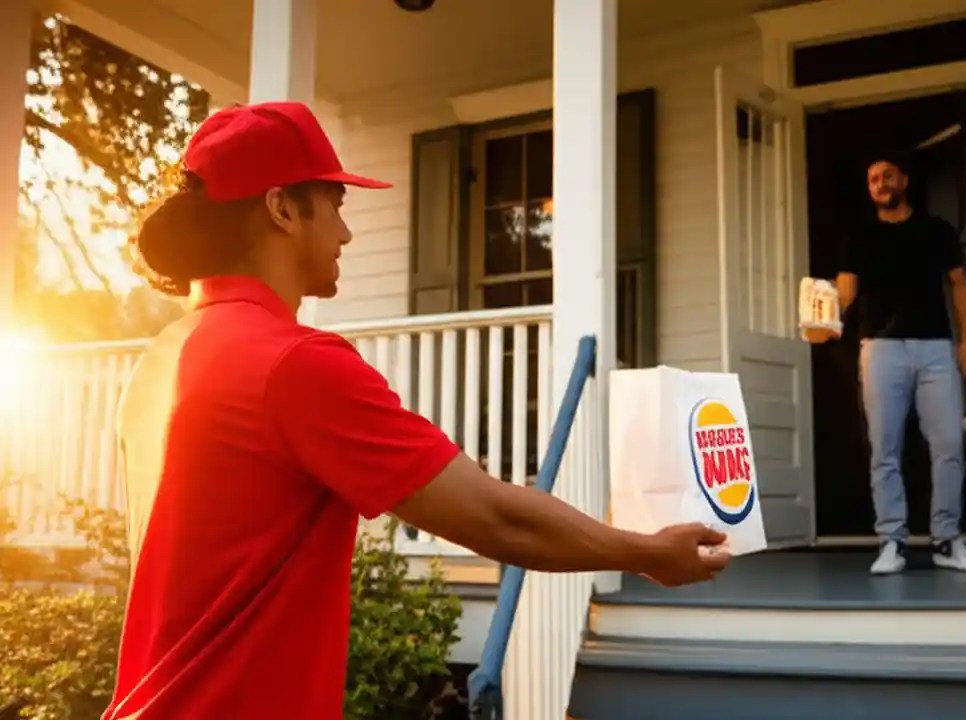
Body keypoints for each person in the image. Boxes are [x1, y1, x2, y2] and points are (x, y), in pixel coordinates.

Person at [103, 101, 729, 720]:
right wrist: (647, 553)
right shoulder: (293, 364)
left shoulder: (164, 357)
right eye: (337, 207)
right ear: (282, 207)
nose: (346, 234)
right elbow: (497, 520)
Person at [835, 155, 966, 575]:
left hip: (936, 348)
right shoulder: (859, 236)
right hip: (881, 348)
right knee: (884, 449)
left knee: (949, 447)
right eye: (872, 179)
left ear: (904, 180)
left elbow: (960, 286)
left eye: (887, 175)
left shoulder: (937, 230)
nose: (880, 183)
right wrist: (820, 314)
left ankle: (947, 539)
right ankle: (891, 541)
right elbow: (845, 293)